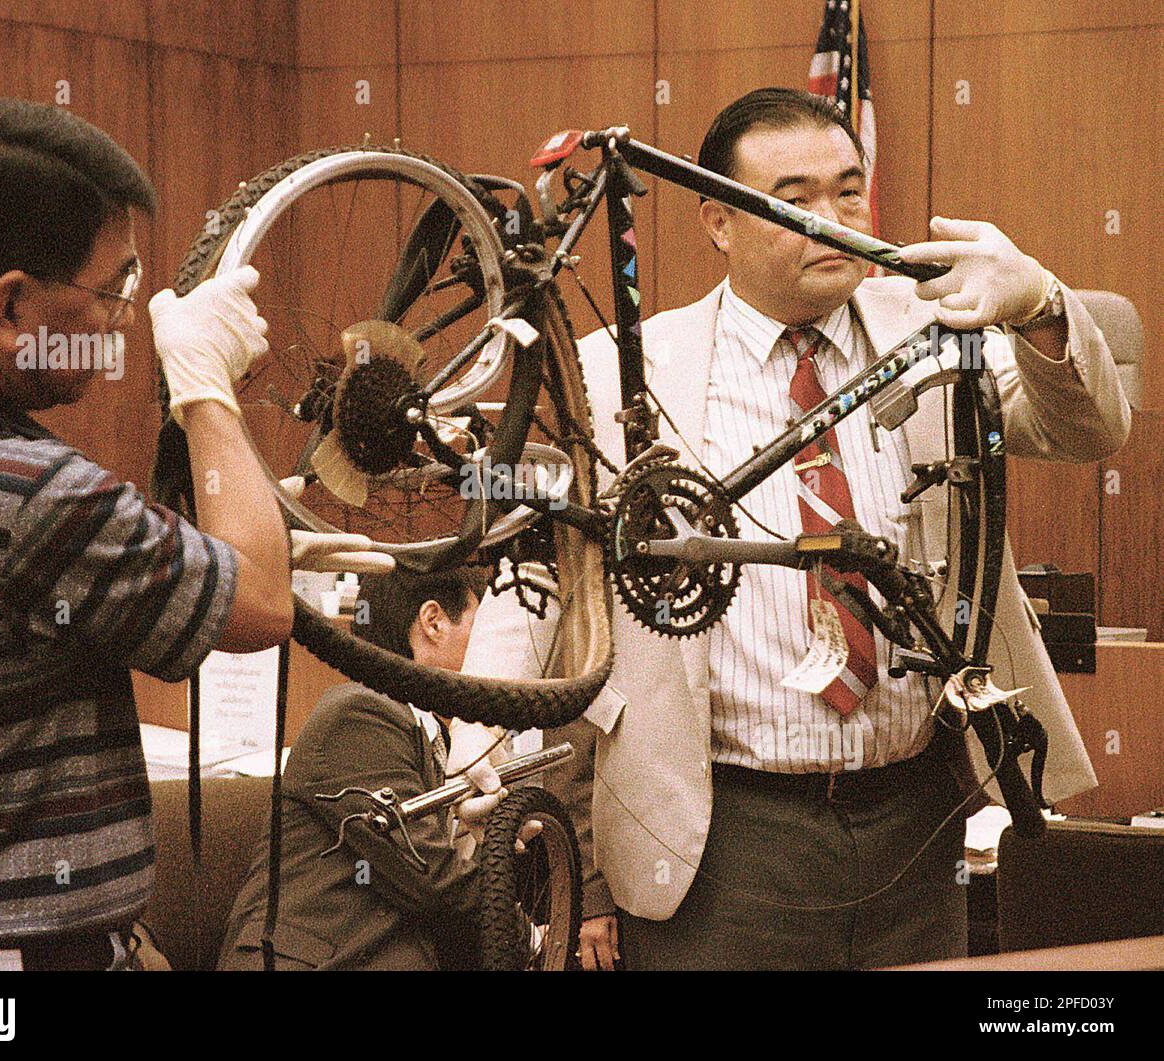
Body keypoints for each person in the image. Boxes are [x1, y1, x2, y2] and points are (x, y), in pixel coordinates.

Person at [458, 87, 1131, 970]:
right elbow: (537, 599)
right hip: (716, 837)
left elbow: (1087, 430)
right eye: (793, 198)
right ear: (718, 224)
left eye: (849, 192)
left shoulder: (938, 327)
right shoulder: (624, 372)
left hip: (916, 822)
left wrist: (1040, 304)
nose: (829, 219)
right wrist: (487, 759)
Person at [0, 98, 389, 971]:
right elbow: (260, 606)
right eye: (113, 291)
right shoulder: (34, 495)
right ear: (10, 309)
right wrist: (203, 383)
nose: (121, 324)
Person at [218, 566, 535, 971]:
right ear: (433, 622)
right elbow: (428, 875)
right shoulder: (359, 712)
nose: (491, 652)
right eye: (483, 629)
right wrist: (534, 934)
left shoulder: (427, 725)